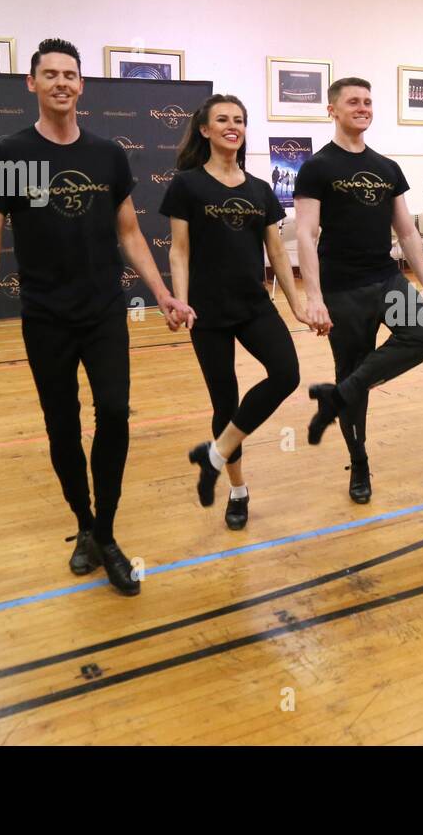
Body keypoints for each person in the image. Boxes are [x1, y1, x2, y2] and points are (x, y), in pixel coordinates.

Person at [0, 38, 194, 597]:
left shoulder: (107, 155)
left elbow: (130, 233)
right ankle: (85, 526)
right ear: (32, 83)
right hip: (44, 316)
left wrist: (162, 292)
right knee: (61, 426)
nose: (62, 82)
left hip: (104, 311)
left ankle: (107, 532)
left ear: (82, 85)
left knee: (114, 412)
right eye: (51, 74)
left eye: (71, 74)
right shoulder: (8, 155)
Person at [297, 77, 423, 503]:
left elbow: (409, 233)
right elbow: (306, 234)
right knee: (353, 371)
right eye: (353, 102)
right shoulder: (317, 167)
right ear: (332, 110)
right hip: (342, 290)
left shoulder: (387, 168)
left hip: (387, 280)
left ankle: (342, 392)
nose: (363, 107)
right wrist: (314, 297)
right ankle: (359, 461)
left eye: (368, 101)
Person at [164, 94, 306, 529]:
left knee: (287, 374)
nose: (233, 126)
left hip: (253, 305)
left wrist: (297, 304)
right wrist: (181, 300)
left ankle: (215, 452)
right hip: (207, 311)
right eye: (223, 119)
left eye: (239, 120)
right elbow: (180, 251)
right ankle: (238, 490)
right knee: (223, 400)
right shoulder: (187, 185)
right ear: (204, 130)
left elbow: (278, 254)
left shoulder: (260, 189)